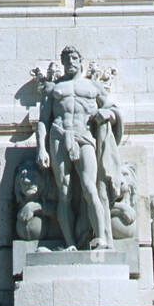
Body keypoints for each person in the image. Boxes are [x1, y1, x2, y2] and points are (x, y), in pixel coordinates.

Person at [36, 45, 122, 249]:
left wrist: (108, 115)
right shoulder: (53, 88)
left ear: (80, 60)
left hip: (84, 136)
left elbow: (111, 108)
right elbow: (43, 121)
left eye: (74, 58)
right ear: (62, 62)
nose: (70, 62)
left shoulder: (93, 87)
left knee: (89, 187)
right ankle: (70, 243)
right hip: (59, 136)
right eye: (66, 59)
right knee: (64, 191)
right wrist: (41, 148)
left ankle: (101, 237)